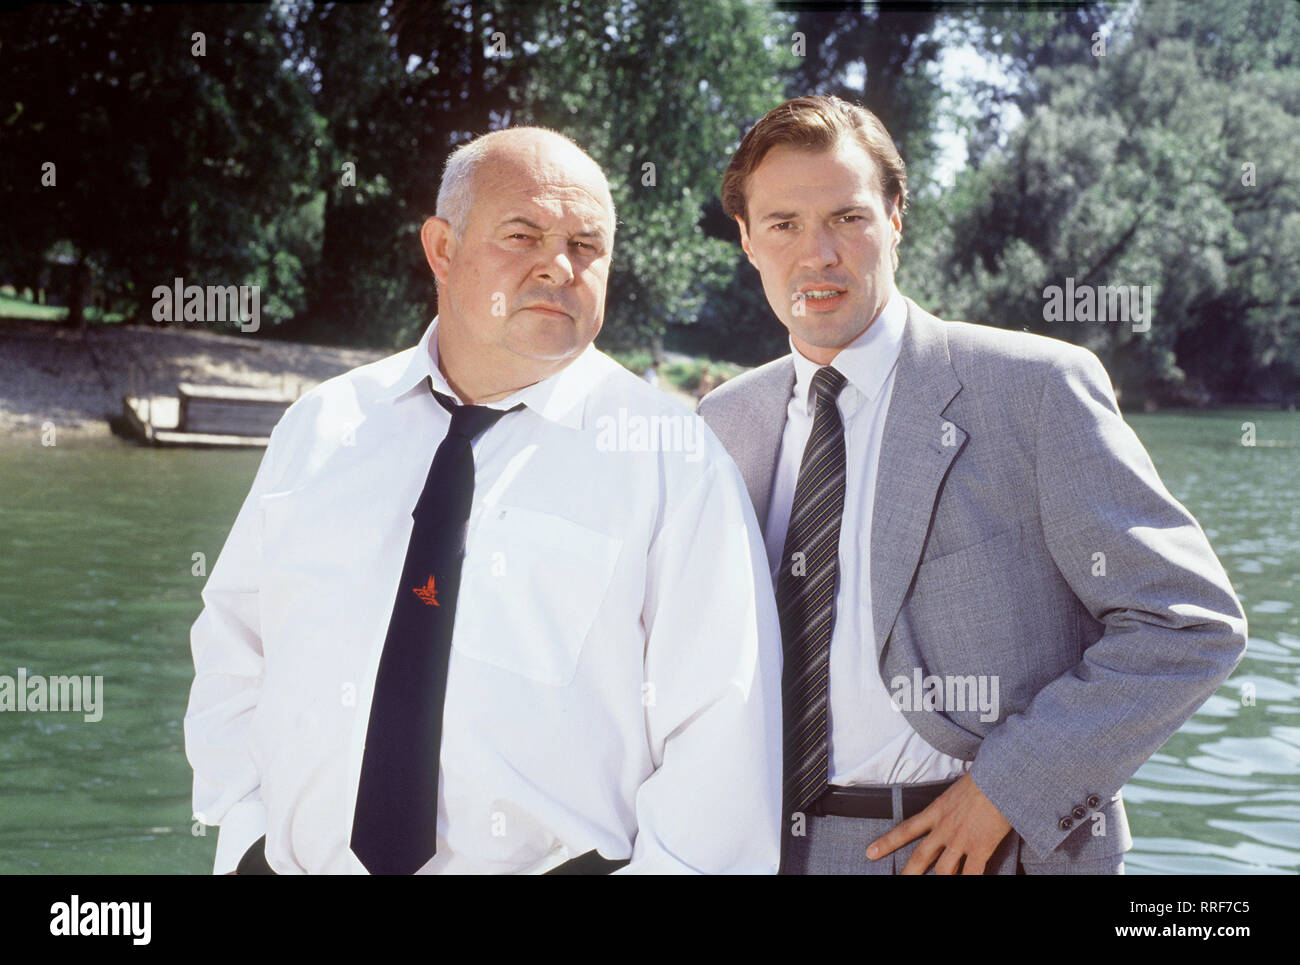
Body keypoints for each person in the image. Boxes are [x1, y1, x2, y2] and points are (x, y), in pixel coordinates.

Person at [184, 127, 782, 874]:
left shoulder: (675, 463)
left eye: (587, 245)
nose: (558, 266)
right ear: (442, 248)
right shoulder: (322, 426)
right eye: (523, 234)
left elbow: (722, 746)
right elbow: (235, 643)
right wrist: (244, 836)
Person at [698, 95, 1247, 875]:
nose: (817, 253)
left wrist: (1009, 790)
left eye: (847, 218)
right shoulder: (725, 421)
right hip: (771, 853)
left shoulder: (1033, 387)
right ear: (749, 241)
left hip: (990, 850)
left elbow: (1187, 623)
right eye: (784, 224)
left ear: (894, 219)